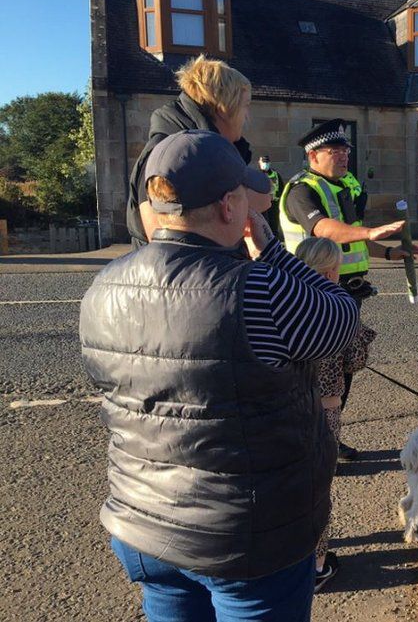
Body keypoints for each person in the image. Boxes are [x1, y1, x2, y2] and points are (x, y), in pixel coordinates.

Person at [80, 130, 360, 622]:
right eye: (245, 195)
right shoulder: (258, 289)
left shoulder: (103, 287)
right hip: (244, 540)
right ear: (231, 206)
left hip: (142, 524)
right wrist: (271, 250)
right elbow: (341, 316)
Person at [279, 119, 418, 460]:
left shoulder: (343, 189)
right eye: (335, 151)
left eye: (346, 150)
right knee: (319, 376)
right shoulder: (302, 191)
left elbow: (350, 237)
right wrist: (371, 233)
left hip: (347, 295)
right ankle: (311, 447)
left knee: (341, 373)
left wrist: (388, 252)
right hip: (315, 296)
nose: (344, 156)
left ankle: (329, 439)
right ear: (313, 156)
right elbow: (326, 230)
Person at [293, 236, 377, 592]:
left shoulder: (282, 300)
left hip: (284, 408)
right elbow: (354, 362)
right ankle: (316, 565)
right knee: (317, 492)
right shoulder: (340, 309)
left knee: (288, 486)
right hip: (324, 411)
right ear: (330, 271)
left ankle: (287, 556)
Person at [127, 55, 272, 247]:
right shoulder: (165, 155)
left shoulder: (209, 149)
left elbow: (263, 198)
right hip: (186, 275)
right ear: (224, 107)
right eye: (245, 105)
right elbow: (160, 241)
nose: (247, 117)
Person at [259, 155, 284, 237]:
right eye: (263, 162)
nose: (265, 164)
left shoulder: (276, 174)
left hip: (274, 203)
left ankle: (275, 239)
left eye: (266, 162)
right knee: (264, 223)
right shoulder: (257, 174)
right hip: (262, 204)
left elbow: (281, 188)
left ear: (269, 163)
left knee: (274, 223)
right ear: (259, 162)